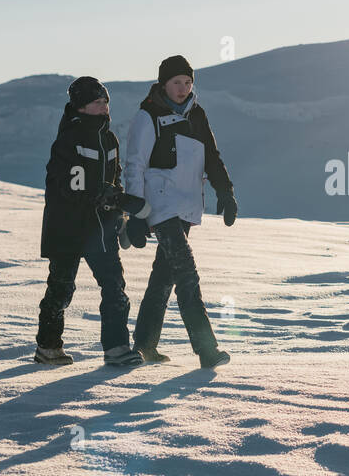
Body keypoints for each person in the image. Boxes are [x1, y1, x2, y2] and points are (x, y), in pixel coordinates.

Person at [122, 54, 237, 368]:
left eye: (188, 82)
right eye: (177, 82)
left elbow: (212, 155)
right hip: (160, 204)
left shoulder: (197, 114)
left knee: (164, 276)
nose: (183, 88)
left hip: (186, 204)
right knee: (187, 273)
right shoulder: (148, 115)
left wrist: (225, 191)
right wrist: (134, 211)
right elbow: (135, 165)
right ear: (164, 83)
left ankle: (145, 343)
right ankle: (206, 349)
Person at [34, 76, 144, 367]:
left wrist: (118, 208)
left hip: (101, 226)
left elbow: (113, 177)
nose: (104, 107)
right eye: (97, 102)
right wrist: (106, 196)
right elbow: (70, 186)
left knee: (114, 285)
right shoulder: (69, 140)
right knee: (61, 288)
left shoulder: (109, 139)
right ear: (81, 107)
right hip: (68, 226)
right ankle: (48, 346)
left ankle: (117, 348)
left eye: (105, 101)